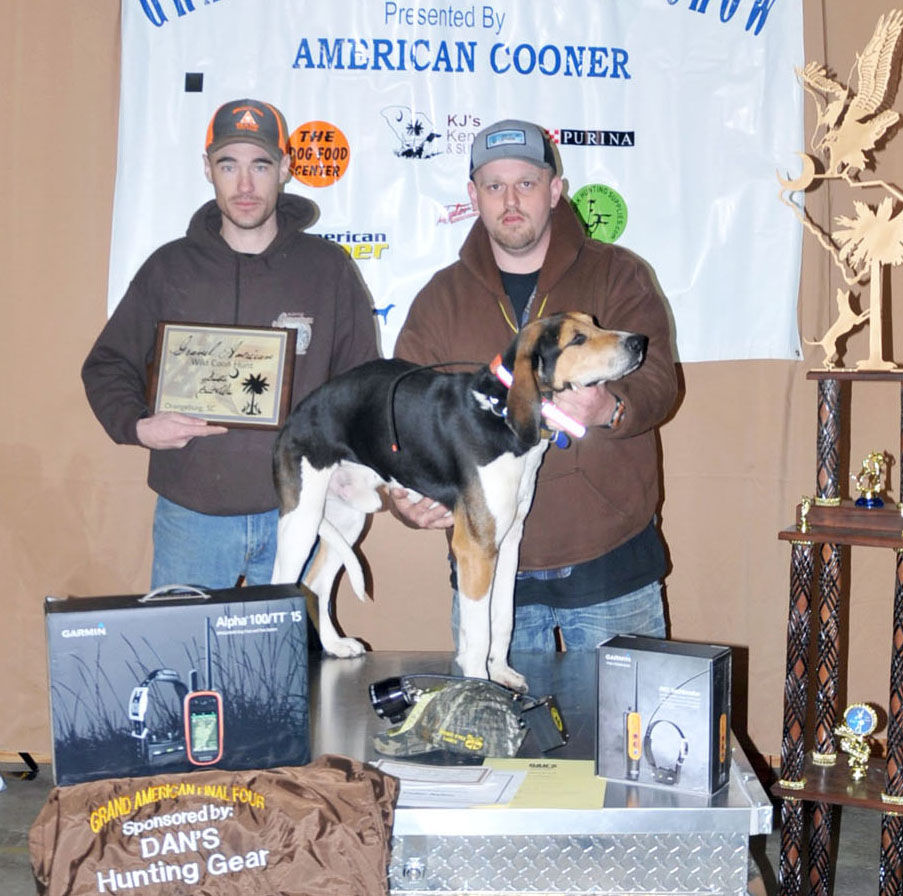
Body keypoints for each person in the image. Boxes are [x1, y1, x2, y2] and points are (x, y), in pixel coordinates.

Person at [393, 118, 679, 652]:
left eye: (525, 183)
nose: (510, 200)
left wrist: (609, 408)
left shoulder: (618, 274)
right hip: (491, 565)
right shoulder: (440, 299)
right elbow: (402, 415)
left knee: (631, 734)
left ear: (555, 190)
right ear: (473, 196)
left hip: (610, 567)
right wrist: (407, 494)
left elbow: (662, 381)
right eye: (494, 186)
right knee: (498, 733)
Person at [82, 98, 379, 589]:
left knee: (283, 666)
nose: (245, 185)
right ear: (207, 169)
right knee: (181, 662)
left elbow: (363, 382)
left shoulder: (328, 269)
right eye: (229, 165)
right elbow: (107, 364)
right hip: (191, 518)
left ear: (285, 167)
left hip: (297, 511)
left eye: (260, 165)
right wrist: (138, 426)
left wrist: (347, 460)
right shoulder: (169, 268)